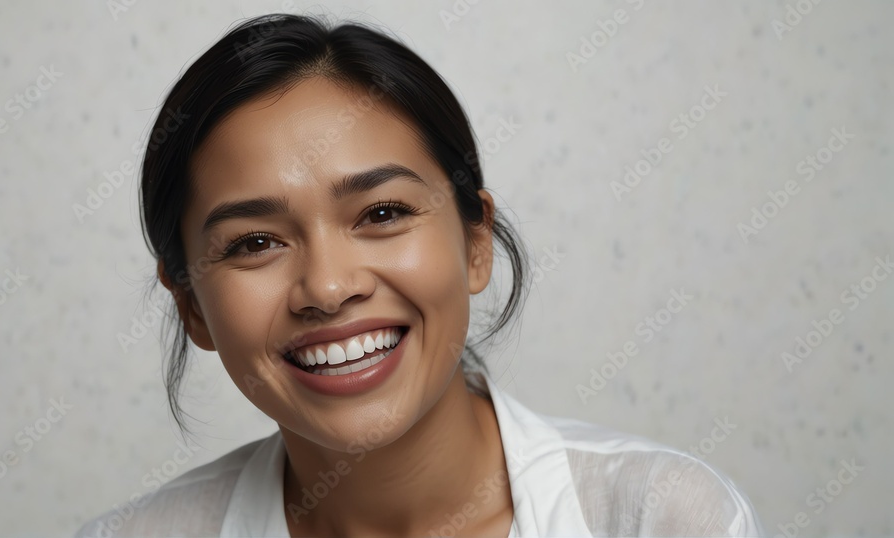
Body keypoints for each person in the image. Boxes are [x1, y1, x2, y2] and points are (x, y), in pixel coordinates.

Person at [76, 12, 765, 537]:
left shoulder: (661, 518)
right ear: (192, 305)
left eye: (381, 212)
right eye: (255, 241)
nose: (327, 286)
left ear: (474, 242)